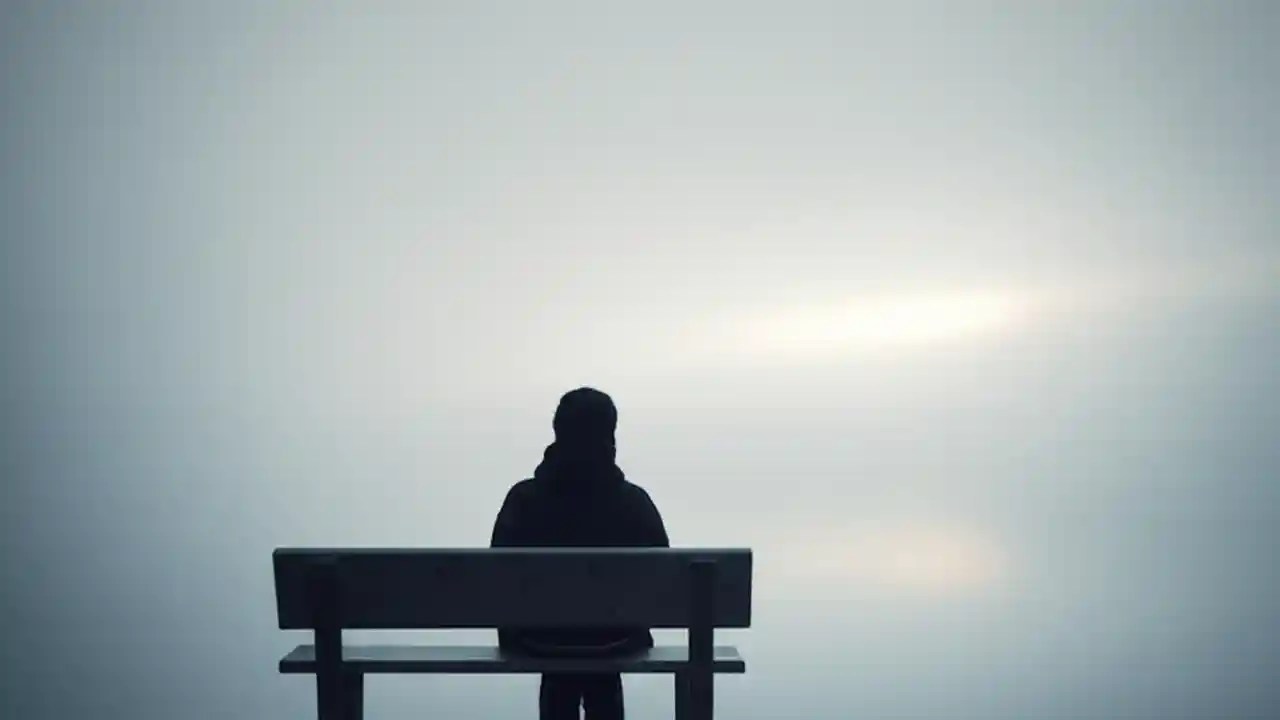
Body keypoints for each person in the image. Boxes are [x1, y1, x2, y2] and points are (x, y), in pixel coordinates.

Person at [490, 387, 670, 720]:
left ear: (558, 434)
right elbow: (663, 585)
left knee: (561, 662)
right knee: (600, 660)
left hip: (538, 640)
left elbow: (497, 583)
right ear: (610, 436)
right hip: (617, 640)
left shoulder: (523, 501)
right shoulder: (634, 504)